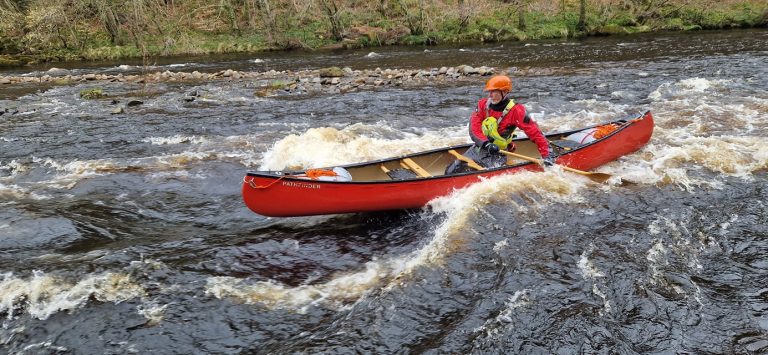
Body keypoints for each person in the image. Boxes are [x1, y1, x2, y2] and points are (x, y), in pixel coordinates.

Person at [445, 75, 554, 174]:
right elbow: (474, 128)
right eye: (489, 91)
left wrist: (547, 155)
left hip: (498, 153)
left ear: (505, 92)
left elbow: (535, 133)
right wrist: (486, 144)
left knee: (480, 176)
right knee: (451, 170)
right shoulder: (483, 104)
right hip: (480, 147)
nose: (491, 95)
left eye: (494, 92)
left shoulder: (517, 111)